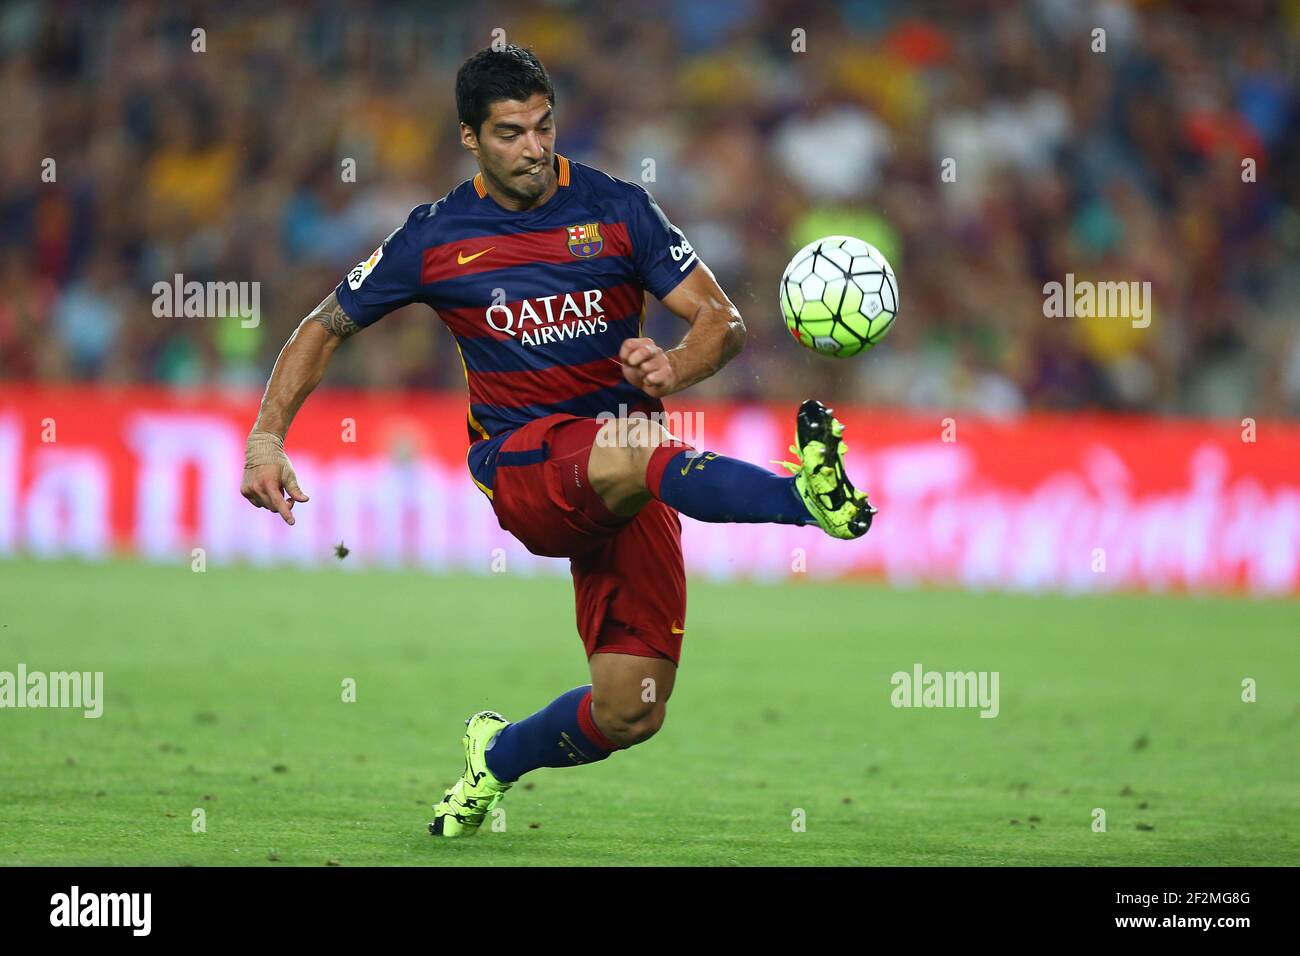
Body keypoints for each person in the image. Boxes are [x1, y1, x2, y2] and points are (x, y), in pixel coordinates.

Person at [239, 45, 875, 838]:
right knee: (636, 441)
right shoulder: (434, 238)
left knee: (630, 710)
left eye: (544, 127)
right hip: (524, 467)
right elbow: (321, 329)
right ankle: (805, 499)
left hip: (628, 476)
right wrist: (267, 438)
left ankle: (495, 758)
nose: (534, 148)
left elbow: (723, 320)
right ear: (469, 137)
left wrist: (674, 366)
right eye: (510, 133)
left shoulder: (618, 208)